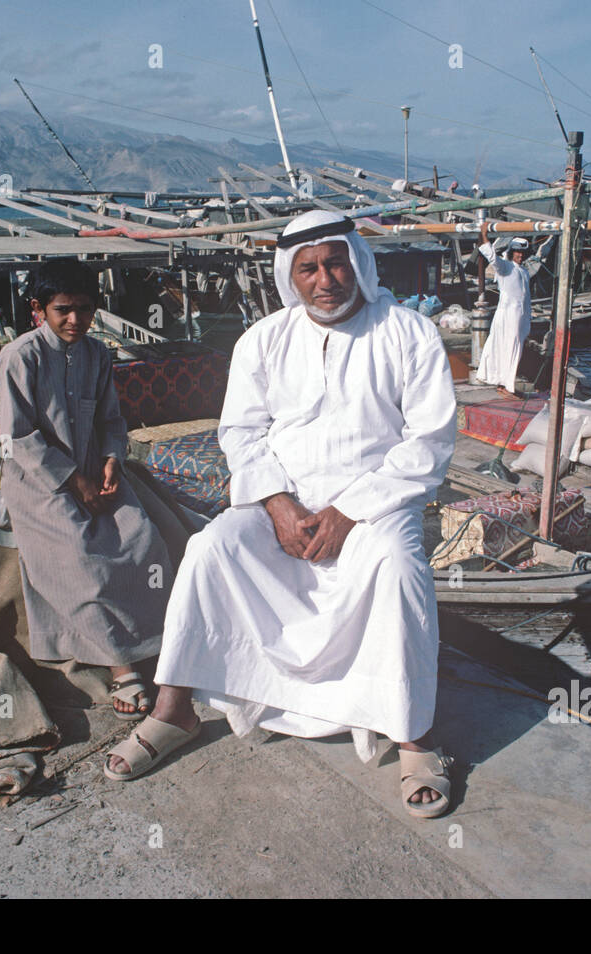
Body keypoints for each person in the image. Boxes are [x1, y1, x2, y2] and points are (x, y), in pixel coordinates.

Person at [103, 210, 459, 819]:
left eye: (336, 262)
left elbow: (430, 439)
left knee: (401, 567)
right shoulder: (262, 339)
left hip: (376, 503)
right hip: (283, 504)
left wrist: (349, 511)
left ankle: (413, 738)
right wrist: (277, 502)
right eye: (309, 268)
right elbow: (240, 433)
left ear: (357, 262)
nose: (326, 279)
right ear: (288, 276)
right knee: (212, 548)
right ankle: (175, 709)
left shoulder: (408, 331)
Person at [0, 259, 172, 720]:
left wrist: (112, 460)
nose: (76, 320)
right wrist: (74, 480)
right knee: (79, 557)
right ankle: (122, 665)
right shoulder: (20, 356)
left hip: (95, 467)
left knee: (142, 539)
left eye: (85, 310)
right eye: (64, 310)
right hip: (39, 480)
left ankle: (160, 642)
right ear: (38, 309)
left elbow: (112, 421)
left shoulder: (96, 354)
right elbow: (17, 439)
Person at [475, 227, 533, 394]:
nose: (520, 256)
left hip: (520, 316)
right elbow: (492, 257)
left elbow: (526, 298)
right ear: (512, 252)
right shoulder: (505, 267)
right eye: (517, 253)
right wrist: (485, 235)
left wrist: (528, 320)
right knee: (505, 347)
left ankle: (507, 383)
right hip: (508, 314)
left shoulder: (524, 272)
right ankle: (504, 384)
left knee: (516, 348)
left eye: (522, 253)